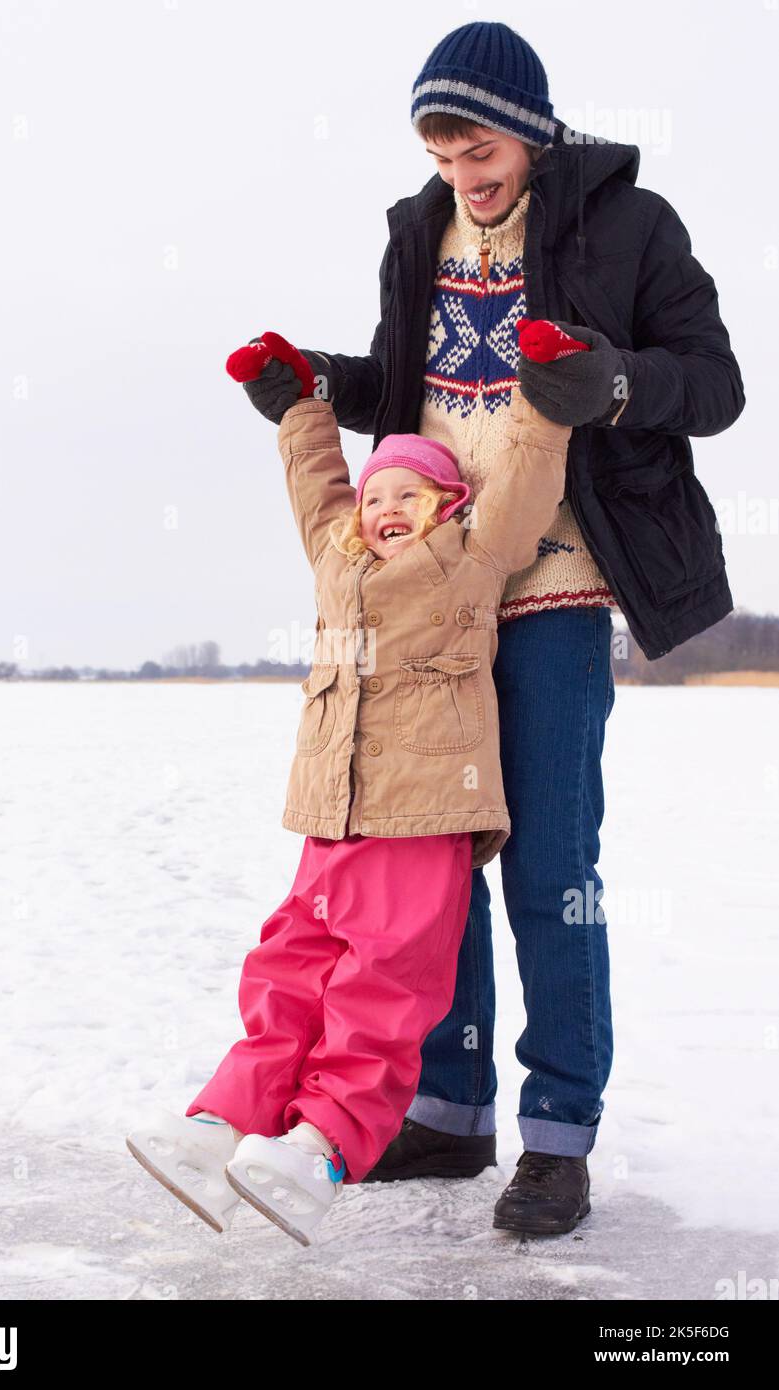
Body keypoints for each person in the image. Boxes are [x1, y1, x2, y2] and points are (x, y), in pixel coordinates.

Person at [238, 21, 745, 1235]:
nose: (463, 172)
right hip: (433, 591)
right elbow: (399, 385)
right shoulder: (417, 231)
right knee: (427, 859)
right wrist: (312, 377)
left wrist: (608, 383)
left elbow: (714, 382)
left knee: (549, 867)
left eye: (477, 146)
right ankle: (451, 1110)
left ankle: (558, 1137)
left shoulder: (630, 222)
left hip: (559, 587)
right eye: (442, 150)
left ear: (528, 124)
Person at [126, 325, 576, 1246]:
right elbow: (318, 487)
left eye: (410, 494)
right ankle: (227, 1120)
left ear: (448, 505)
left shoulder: (468, 560)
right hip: (329, 816)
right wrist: (299, 404)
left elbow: (526, 481)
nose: (387, 508)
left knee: (382, 983)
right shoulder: (338, 560)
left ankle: (327, 1145)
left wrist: (549, 395)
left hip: (424, 814)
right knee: (287, 967)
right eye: (378, 497)